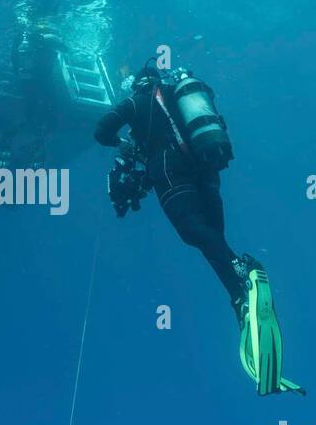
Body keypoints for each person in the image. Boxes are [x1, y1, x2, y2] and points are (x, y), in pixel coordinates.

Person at [94, 60, 304, 395]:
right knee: (213, 240)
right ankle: (239, 297)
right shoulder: (180, 98)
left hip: (170, 170)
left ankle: (242, 271)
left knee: (193, 231)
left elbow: (101, 130)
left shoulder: (137, 101)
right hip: (206, 171)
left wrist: (125, 144)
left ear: (138, 85)